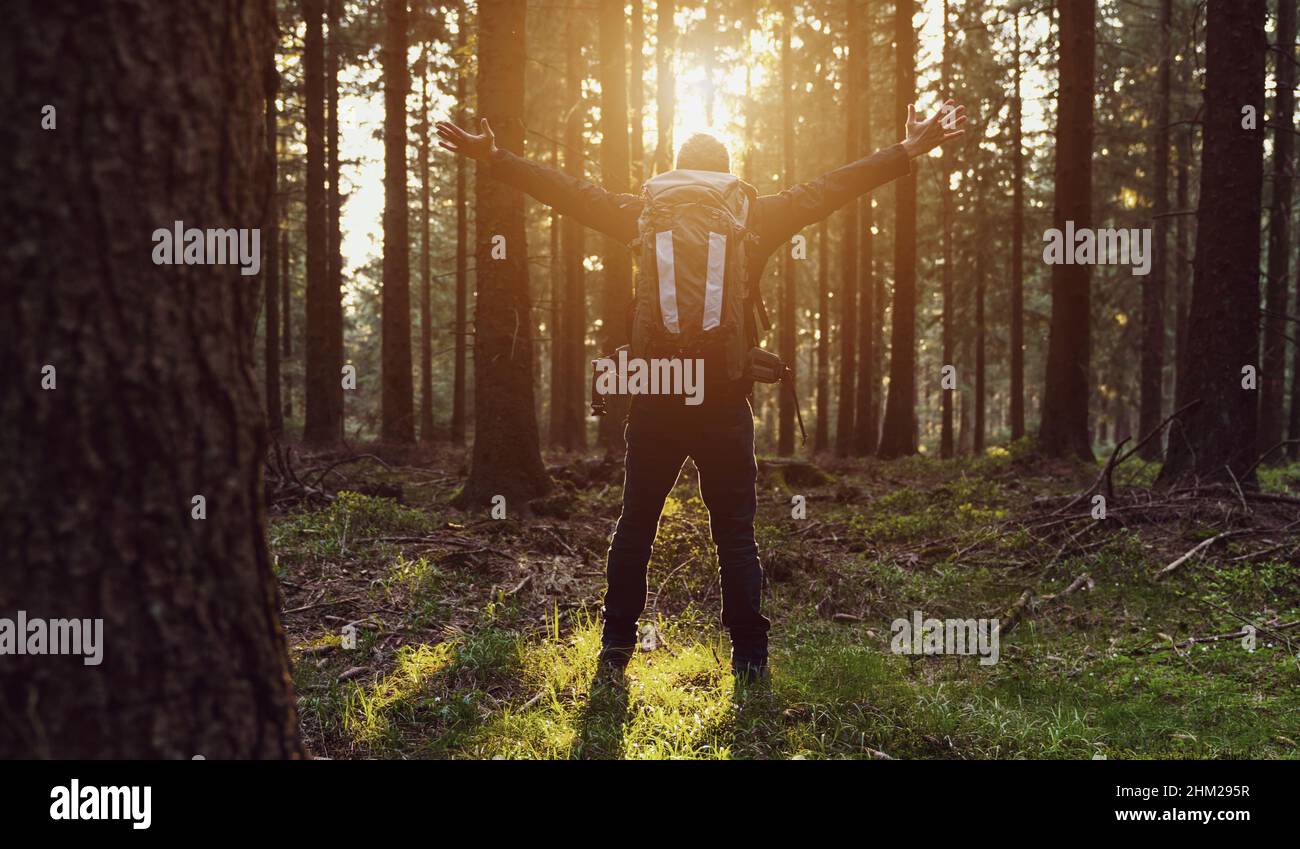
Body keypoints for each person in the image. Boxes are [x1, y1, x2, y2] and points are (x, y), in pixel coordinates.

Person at [436, 98, 965, 683]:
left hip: (658, 395)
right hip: (722, 401)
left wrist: (495, 156)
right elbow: (829, 189)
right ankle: (750, 659)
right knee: (734, 532)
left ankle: (615, 650)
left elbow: (567, 190)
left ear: (676, 170)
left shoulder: (642, 212)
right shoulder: (753, 214)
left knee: (635, 524)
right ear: (727, 171)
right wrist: (908, 150)